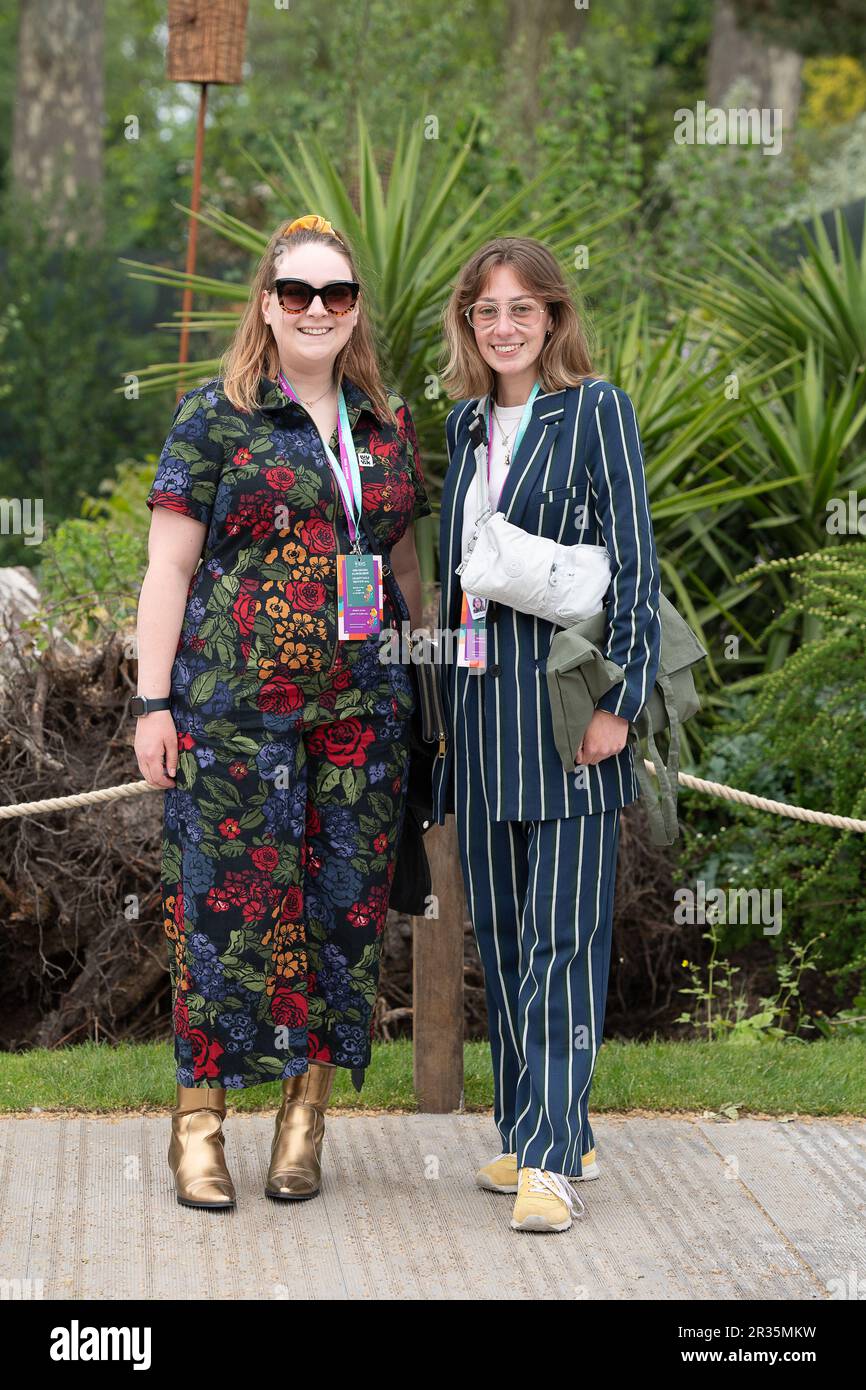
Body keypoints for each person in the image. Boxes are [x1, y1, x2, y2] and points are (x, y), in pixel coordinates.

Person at [135, 214, 431, 1209]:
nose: (315, 309)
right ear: (266, 303)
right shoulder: (212, 417)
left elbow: (399, 573)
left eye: (334, 295)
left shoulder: (383, 427)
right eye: (295, 292)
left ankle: (303, 1124)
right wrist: (150, 700)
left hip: (360, 717)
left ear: (354, 311)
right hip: (230, 714)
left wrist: (441, 672)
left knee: (340, 912)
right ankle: (199, 1130)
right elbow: (167, 569)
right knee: (224, 912)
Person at [432, 236, 661, 1233]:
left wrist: (623, 703)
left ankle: (548, 1158)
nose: (504, 325)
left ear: (552, 318)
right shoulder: (458, 426)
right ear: (467, 324)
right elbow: (455, 580)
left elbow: (636, 569)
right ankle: (534, 1127)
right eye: (487, 309)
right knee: (505, 936)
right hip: (480, 720)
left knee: (564, 940)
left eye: (522, 307)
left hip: (570, 716)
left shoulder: (595, 410)